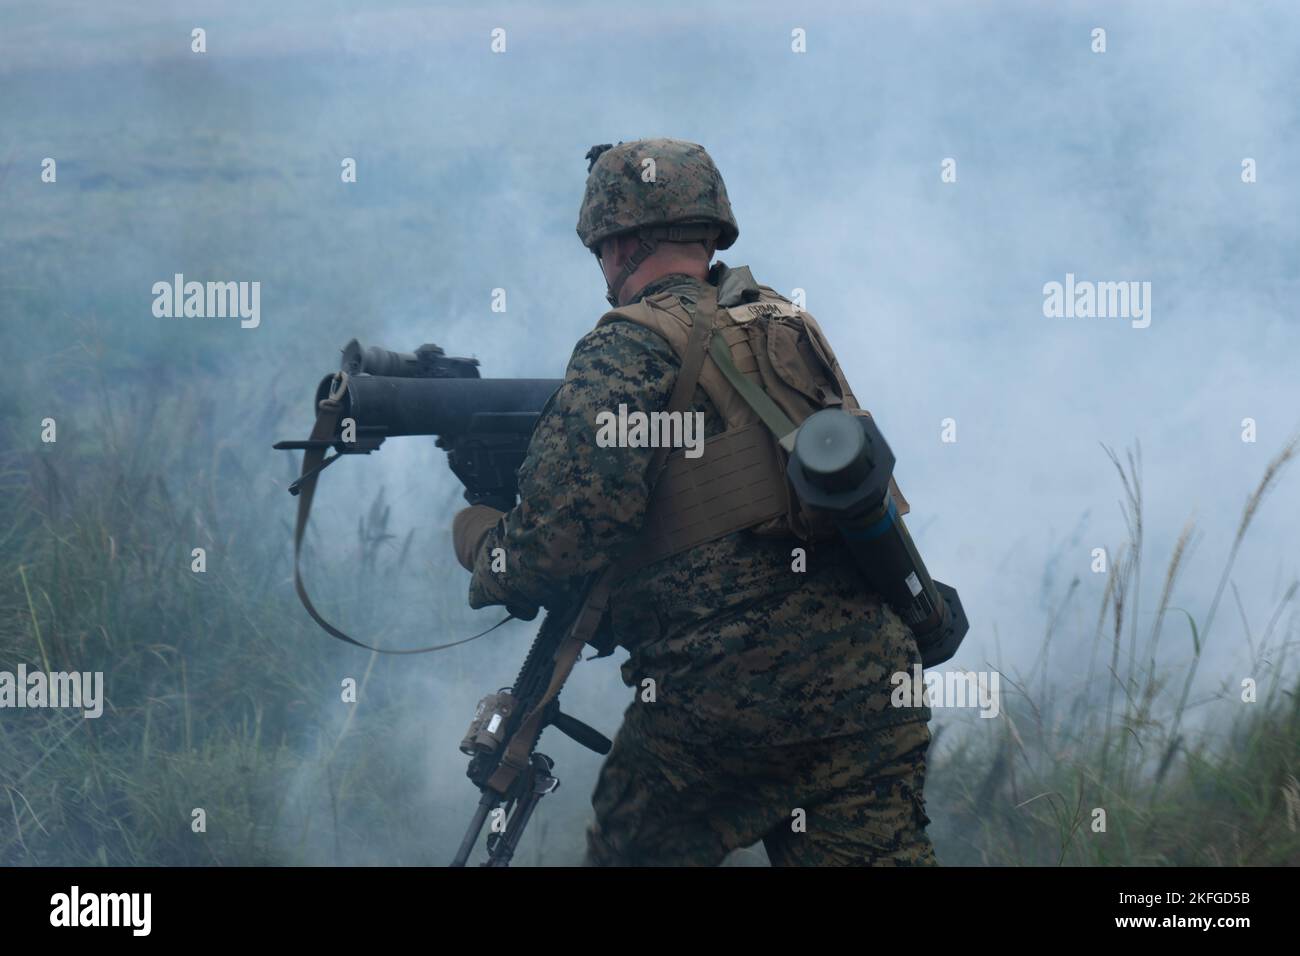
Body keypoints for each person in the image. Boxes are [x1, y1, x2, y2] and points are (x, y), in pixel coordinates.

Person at [452, 139, 936, 866]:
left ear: (619, 243)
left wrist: (482, 540)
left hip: (722, 696)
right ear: (711, 232)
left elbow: (556, 548)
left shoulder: (625, 347)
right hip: (870, 680)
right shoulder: (786, 323)